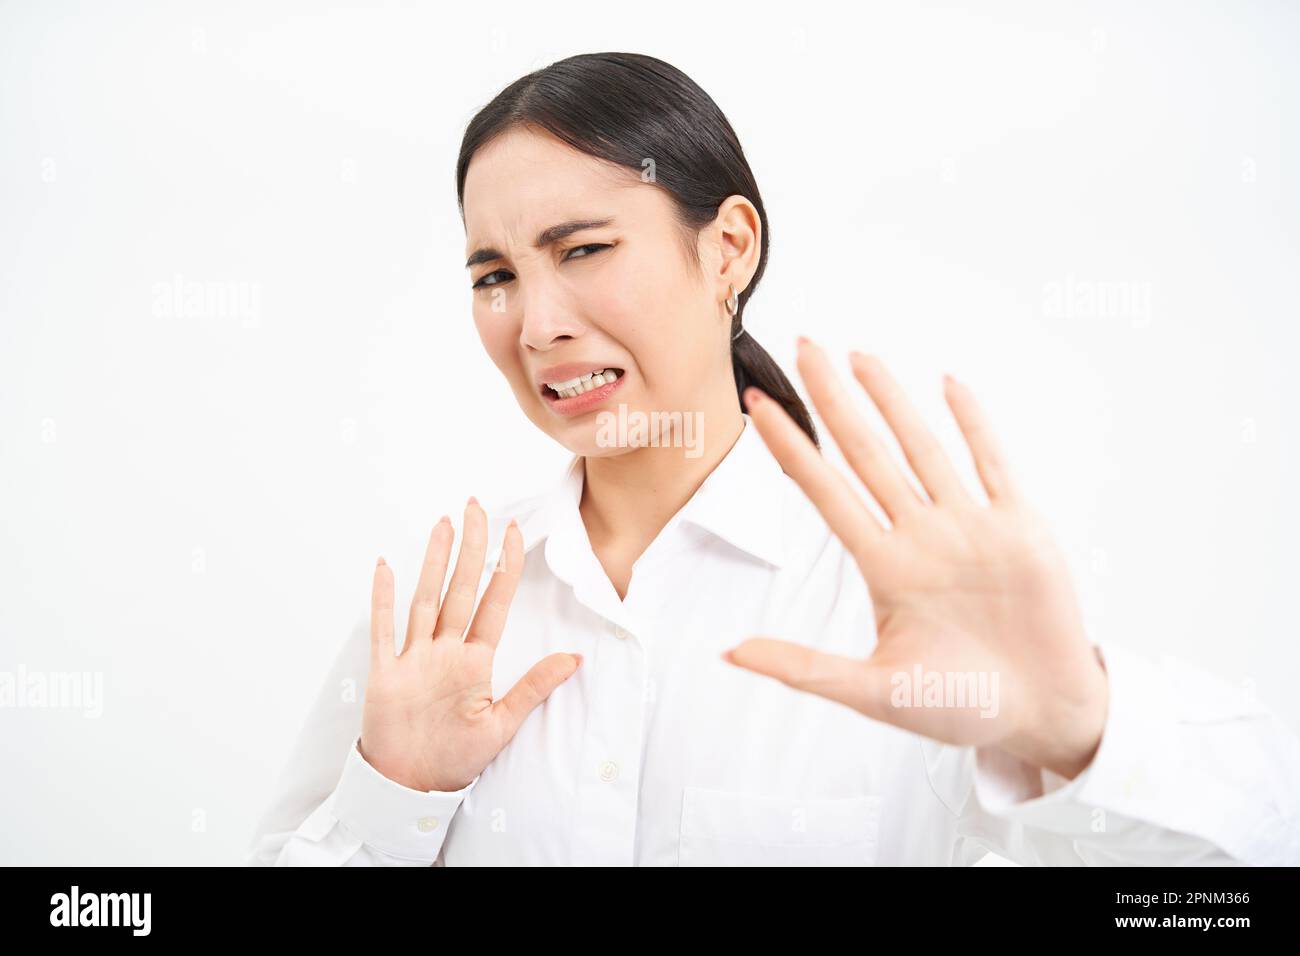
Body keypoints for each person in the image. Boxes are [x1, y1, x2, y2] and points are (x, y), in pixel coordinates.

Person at [246, 52, 1299, 866]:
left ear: (727, 249)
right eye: (494, 274)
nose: (534, 323)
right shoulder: (457, 611)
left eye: (582, 250)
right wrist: (397, 795)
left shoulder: (899, 595)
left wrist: (1079, 727)